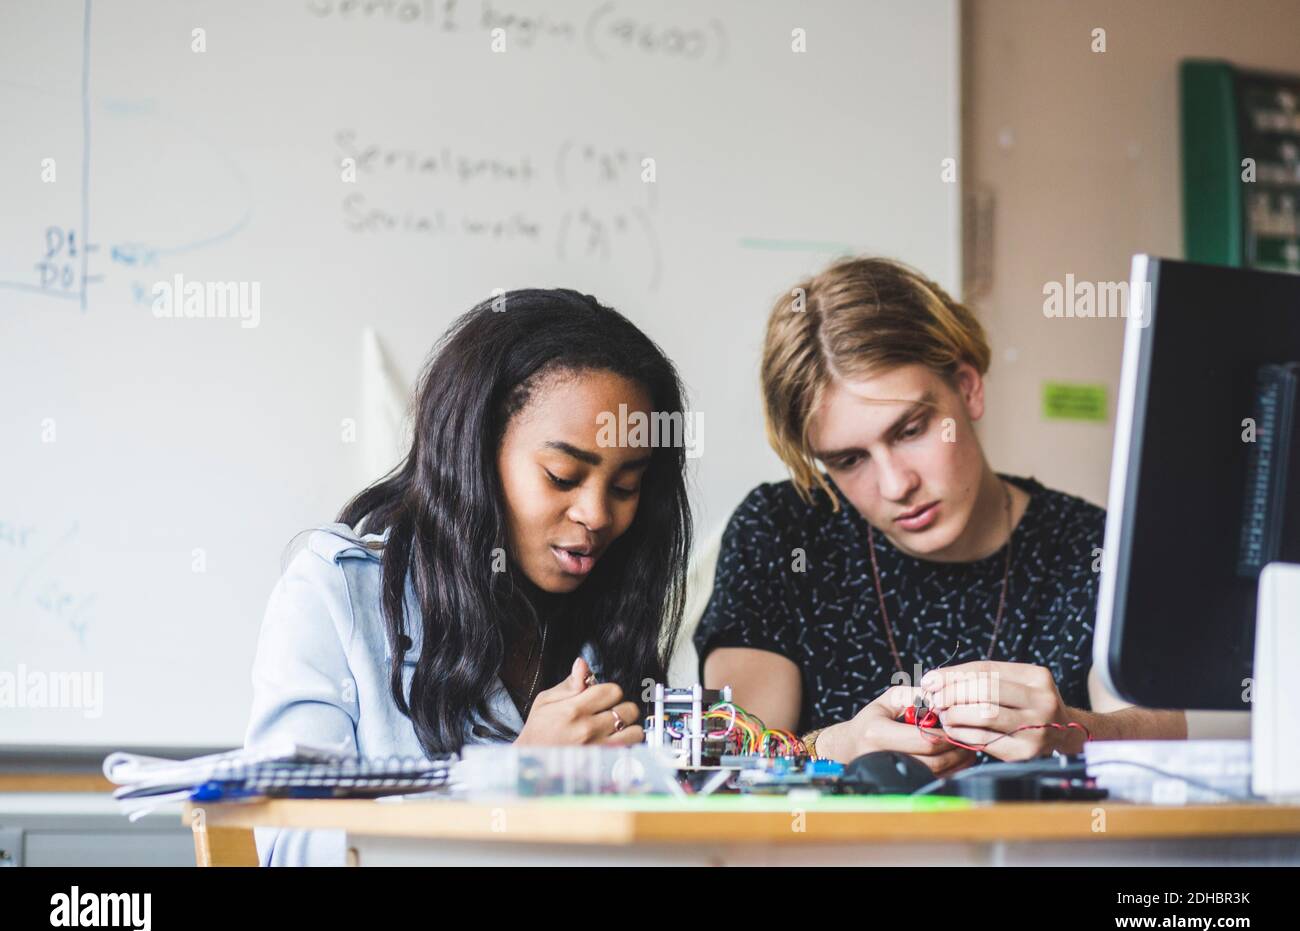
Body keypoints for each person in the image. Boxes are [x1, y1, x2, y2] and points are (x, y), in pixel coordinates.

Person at [245, 289, 692, 864]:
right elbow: (292, 848)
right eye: (561, 476)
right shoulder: (334, 595)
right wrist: (514, 781)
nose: (599, 514)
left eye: (626, 486)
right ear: (475, 456)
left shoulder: (608, 621)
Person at [694, 257, 1185, 776]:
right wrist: (839, 747)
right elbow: (724, 763)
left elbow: (1168, 742)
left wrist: (1072, 733)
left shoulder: (1094, 547)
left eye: (910, 430)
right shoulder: (778, 532)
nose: (896, 485)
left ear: (969, 387)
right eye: (849, 460)